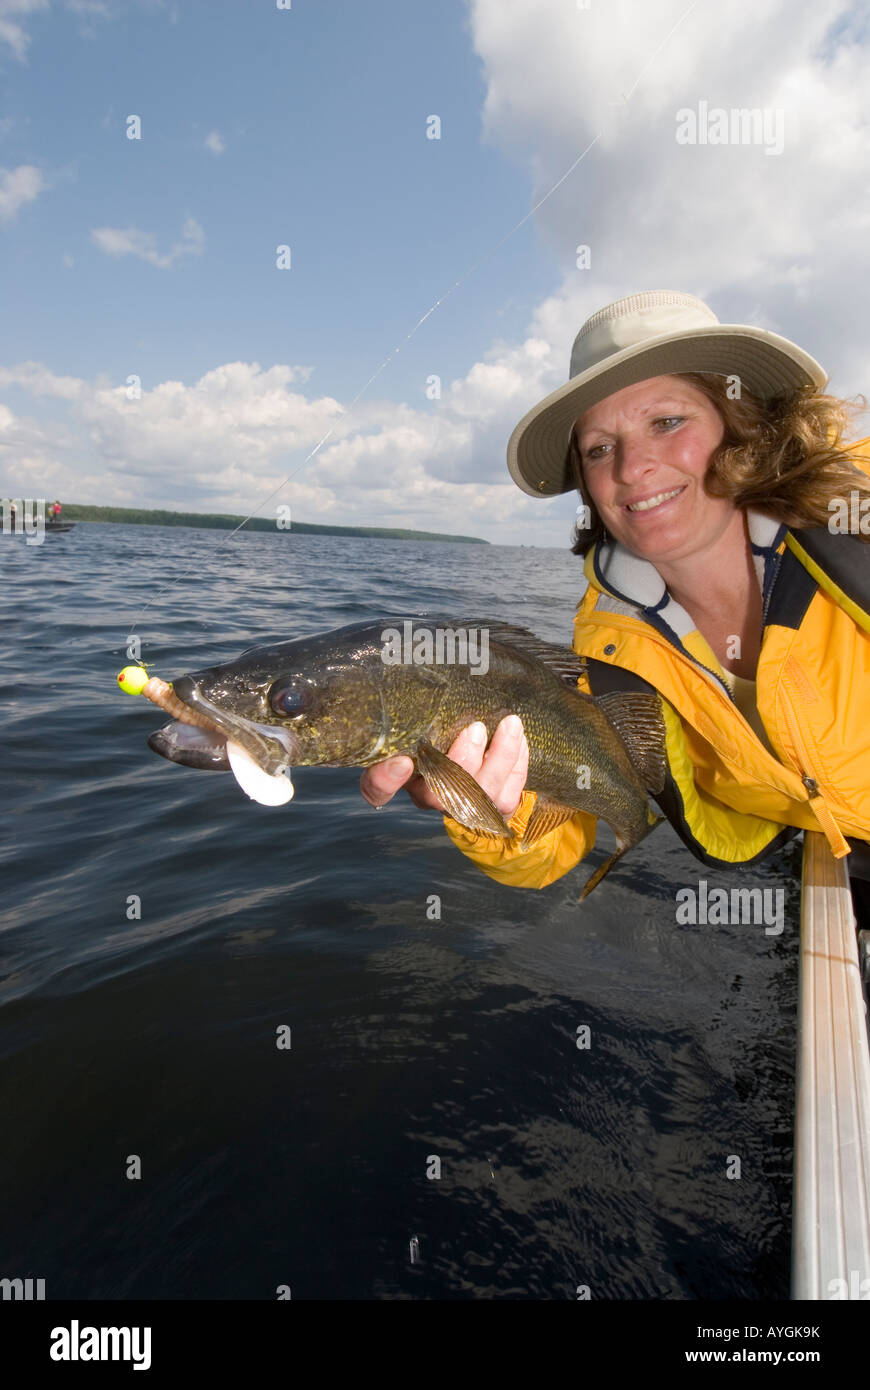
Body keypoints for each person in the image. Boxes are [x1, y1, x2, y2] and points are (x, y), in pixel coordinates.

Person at [359, 290, 870, 928]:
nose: (631, 467)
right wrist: (484, 805)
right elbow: (553, 848)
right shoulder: (608, 646)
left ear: (740, 425)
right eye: (600, 448)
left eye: (667, 422)